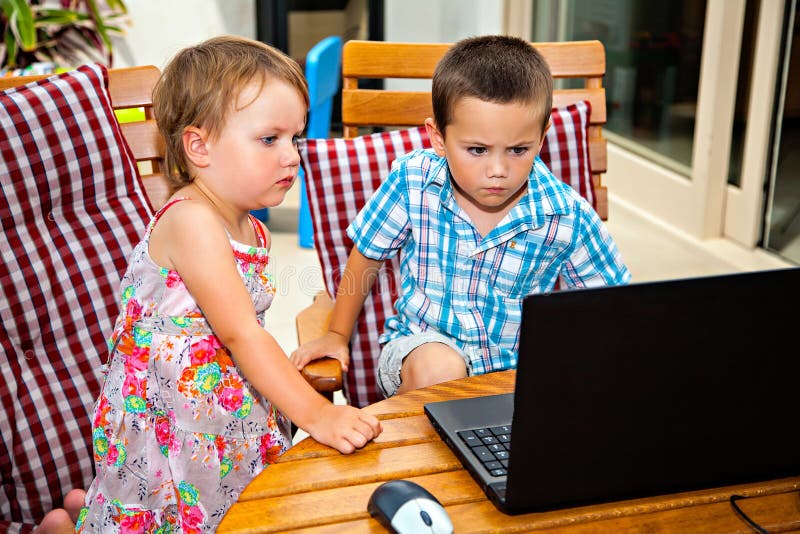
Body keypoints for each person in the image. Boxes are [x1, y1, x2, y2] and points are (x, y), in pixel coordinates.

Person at [60, 35, 382, 533]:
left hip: (218, 415)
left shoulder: (250, 226)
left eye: (294, 137)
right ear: (199, 146)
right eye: (269, 139)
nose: (292, 156)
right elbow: (240, 333)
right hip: (167, 429)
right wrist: (319, 415)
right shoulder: (192, 222)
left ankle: (75, 513)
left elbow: (240, 327)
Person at [290, 35, 631, 398]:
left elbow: (612, 307)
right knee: (441, 369)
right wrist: (336, 335)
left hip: (513, 374)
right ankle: (422, 454)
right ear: (438, 138)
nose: (498, 170)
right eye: (477, 150)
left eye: (518, 149)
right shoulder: (414, 182)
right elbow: (367, 255)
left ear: (542, 137)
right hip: (420, 351)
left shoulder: (566, 215)